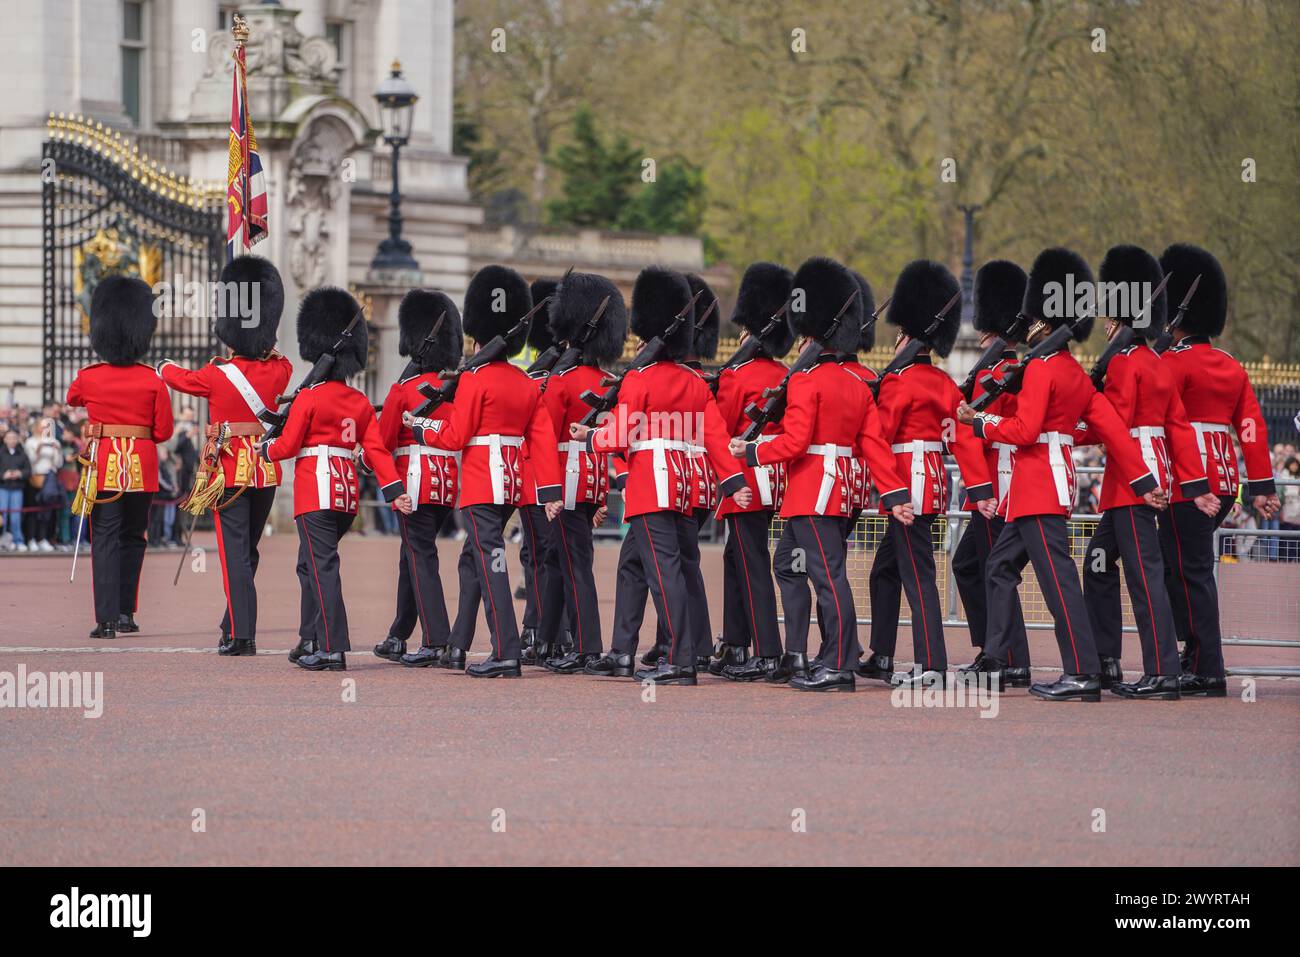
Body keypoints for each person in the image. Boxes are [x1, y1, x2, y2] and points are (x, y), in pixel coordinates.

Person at [957, 247, 1162, 701]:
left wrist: (979, 422)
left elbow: (1025, 431)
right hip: (1047, 484)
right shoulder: (1072, 372)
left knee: (1059, 583)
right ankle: (996, 655)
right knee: (999, 566)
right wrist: (1145, 480)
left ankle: (1083, 673)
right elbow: (1112, 430)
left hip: (1037, 487)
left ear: (1043, 323)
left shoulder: (1042, 370)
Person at [730, 257, 913, 692]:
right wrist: (893, 494)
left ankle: (839, 663)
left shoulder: (807, 382)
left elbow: (793, 444)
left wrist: (752, 450)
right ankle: (811, 651)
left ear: (809, 335)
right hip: (840, 490)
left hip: (814, 491)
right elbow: (873, 446)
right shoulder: (855, 382)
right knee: (790, 565)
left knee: (828, 578)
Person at [574, 266, 752, 685]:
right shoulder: (694, 382)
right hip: (685, 485)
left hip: (651, 485)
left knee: (663, 570)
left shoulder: (640, 378)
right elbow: (716, 437)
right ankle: (622, 651)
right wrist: (735, 483)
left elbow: (620, 432)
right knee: (634, 566)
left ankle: (681, 658)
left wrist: (589, 438)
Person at [405, 265, 564, 678]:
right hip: (512, 482)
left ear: (477, 336)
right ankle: (457, 645)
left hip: (481, 483)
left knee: (492, 559)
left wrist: (423, 426)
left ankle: (506, 650)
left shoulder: (475, 380)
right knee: (473, 558)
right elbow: (542, 438)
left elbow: (456, 436)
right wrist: (548, 491)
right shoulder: (525, 382)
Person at [1079, 245, 1219, 700]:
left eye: (1108, 317)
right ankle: (1107, 658)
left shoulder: (1123, 363)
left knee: (1144, 576)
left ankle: (1160, 672)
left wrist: (1072, 421)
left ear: (1121, 319)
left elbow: (1113, 424)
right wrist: (1194, 486)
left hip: (1132, 479)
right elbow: (1179, 428)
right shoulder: (1157, 363)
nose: (1103, 324)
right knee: (1100, 562)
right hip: (1151, 473)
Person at [260, 286, 412, 671]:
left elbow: (289, 445)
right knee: (308, 564)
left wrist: (265, 450)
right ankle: (309, 637)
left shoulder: (309, 398)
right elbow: (376, 451)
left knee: (322, 565)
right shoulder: (359, 401)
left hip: (316, 493)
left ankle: (331, 647)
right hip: (345, 497)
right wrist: (394, 491)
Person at [863, 259, 996, 687]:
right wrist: (980, 488)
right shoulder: (942, 382)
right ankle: (881, 654)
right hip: (933, 484)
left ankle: (932, 664)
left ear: (904, 336)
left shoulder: (899, 383)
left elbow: (877, 438)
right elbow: (964, 439)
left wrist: (892, 492)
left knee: (917, 577)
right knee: (884, 571)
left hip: (907, 488)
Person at [1157, 243, 1280, 695]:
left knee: (1186, 571)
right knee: (1187, 568)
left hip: (1184, 478)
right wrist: (1261, 484)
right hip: (1225, 477)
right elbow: (1251, 426)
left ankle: (1207, 665)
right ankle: (1197, 654)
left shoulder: (1172, 362)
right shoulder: (1230, 365)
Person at [159, 256, 294, 655]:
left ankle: (242, 635)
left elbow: (178, 378)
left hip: (228, 471)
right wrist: (262, 339)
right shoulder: (281, 369)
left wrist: (163, 364)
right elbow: (278, 357)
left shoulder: (216, 374)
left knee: (234, 553)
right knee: (247, 552)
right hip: (265, 471)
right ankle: (232, 622)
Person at [65, 275, 174, 639]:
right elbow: (163, 433)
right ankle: (126, 613)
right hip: (142, 468)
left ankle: (106, 619)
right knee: (134, 537)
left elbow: (71, 398)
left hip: (104, 467)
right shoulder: (153, 380)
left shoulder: (89, 377)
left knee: (106, 538)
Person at [536, 271, 628, 673]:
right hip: (593, 477)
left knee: (574, 564)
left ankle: (588, 647)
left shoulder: (562, 382)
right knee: (561, 558)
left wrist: (548, 491)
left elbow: (545, 437)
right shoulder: (609, 382)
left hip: (566, 478)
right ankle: (548, 639)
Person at [710, 262, 797, 681]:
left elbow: (722, 430)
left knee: (751, 563)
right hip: (777, 476)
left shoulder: (737, 375)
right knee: (737, 559)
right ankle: (734, 641)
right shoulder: (786, 374)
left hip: (745, 477)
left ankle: (765, 650)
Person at [369, 287, 464, 666]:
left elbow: (384, 441)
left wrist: (385, 479)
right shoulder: (458, 388)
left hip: (413, 481)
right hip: (447, 484)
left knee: (420, 555)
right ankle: (398, 634)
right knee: (412, 555)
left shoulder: (403, 390)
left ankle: (436, 640)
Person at [952, 261, 1032, 684]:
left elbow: (972, 432)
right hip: (993, 483)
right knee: (969, 565)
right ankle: (993, 649)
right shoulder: (1004, 369)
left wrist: (981, 489)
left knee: (995, 570)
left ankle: (1008, 659)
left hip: (996, 486)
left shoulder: (998, 372)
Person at [25, 417, 66, 551]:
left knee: (47, 511)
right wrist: (39, 449)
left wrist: (57, 451)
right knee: (33, 510)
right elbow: (30, 462)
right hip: (35, 477)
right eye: (43, 426)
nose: (45, 428)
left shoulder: (55, 442)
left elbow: (58, 463)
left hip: (50, 479)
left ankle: (43, 538)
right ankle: (31, 539)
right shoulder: (30, 442)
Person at [0, 429, 31, 551]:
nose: (12, 440)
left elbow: (28, 470)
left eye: (14, 437)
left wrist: (20, 473)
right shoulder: (1, 453)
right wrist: (3, 475)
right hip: (3, 488)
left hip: (17, 488)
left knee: (16, 516)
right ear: (5, 439)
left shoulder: (22, 454)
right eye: (9, 437)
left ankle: (18, 540)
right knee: (3, 516)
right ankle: (3, 540)